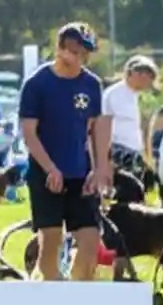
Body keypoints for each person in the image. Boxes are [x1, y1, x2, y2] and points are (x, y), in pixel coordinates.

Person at [18, 22, 110, 282]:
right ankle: (49, 287)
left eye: (84, 53)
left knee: (91, 239)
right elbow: (29, 133)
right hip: (45, 171)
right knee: (51, 241)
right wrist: (50, 168)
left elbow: (95, 128)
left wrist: (98, 168)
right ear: (60, 49)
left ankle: (77, 294)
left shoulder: (91, 84)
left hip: (80, 173)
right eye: (74, 51)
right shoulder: (37, 84)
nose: (79, 58)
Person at [102, 56, 158, 177]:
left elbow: (144, 129)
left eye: (149, 75)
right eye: (141, 73)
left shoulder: (142, 98)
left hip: (136, 151)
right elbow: (102, 126)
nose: (145, 78)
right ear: (129, 72)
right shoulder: (113, 94)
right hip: (118, 152)